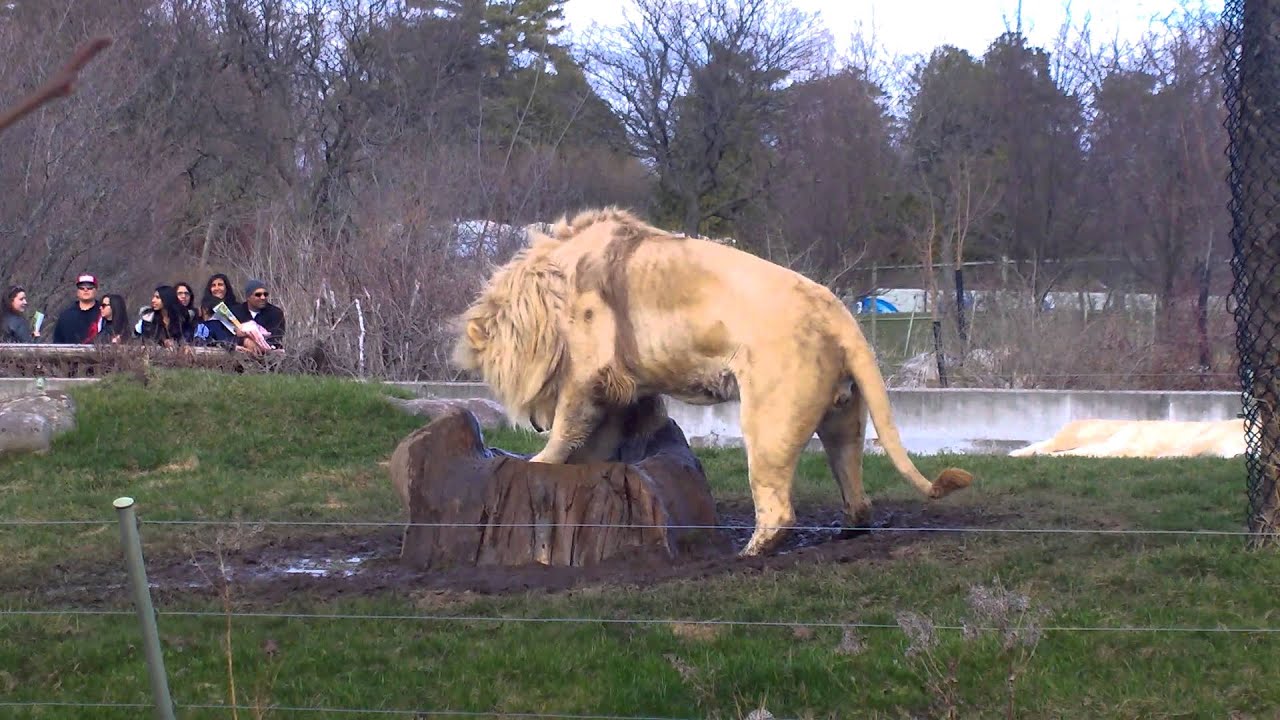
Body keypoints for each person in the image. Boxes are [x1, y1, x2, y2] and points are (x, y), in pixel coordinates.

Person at [232, 279, 285, 353]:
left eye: (265, 294)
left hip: (269, 357)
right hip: (239, 355)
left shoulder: (275, 313)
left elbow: (276, 337)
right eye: (258, 295)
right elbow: (228, 335)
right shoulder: (236, 312)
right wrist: (245, 341)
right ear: (248, 297)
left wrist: (257, 345)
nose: (263, 297)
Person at [51, 274, 101, 344]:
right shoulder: (66, 316)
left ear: (96, 290)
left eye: (90, 287)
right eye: (81, 288)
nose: (85, 290)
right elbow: (57, 342)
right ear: (77, 291)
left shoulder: (103, 313)